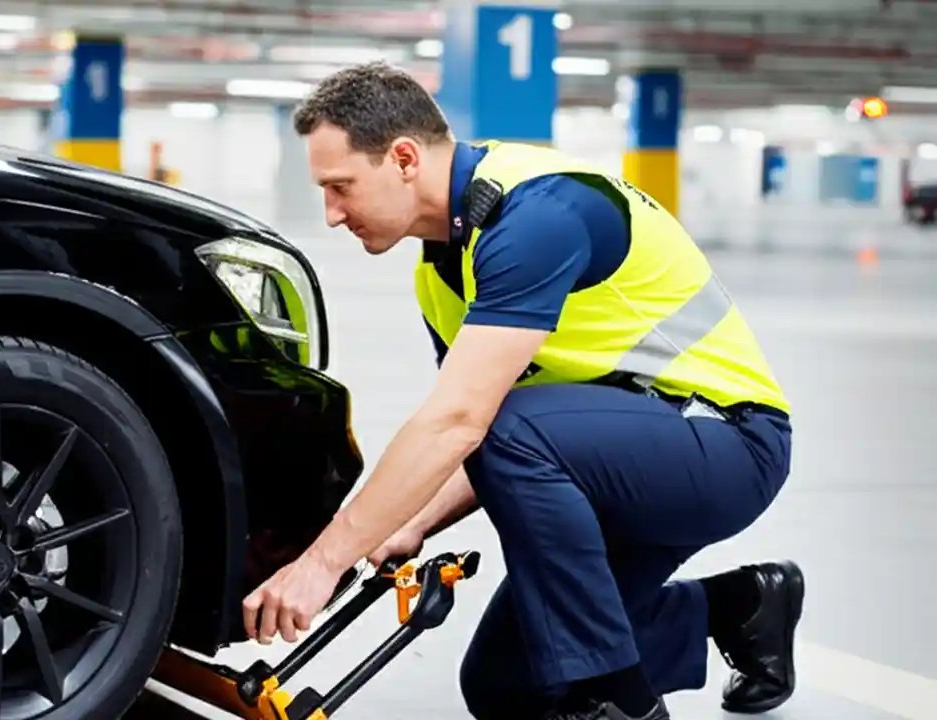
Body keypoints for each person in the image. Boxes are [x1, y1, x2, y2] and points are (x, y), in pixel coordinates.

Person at [240, 62, 803, 720]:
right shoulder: (443, 271)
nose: (333, 215)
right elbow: (490, 434)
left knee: (508, 438)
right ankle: (741, 606)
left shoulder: (536, 215)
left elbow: (468, 424)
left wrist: (322, 563)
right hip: (618, 460)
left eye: (341, 187)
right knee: (506, 683)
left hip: (725, 443)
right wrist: (409, 524)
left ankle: (618, 700)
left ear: (402, 158)